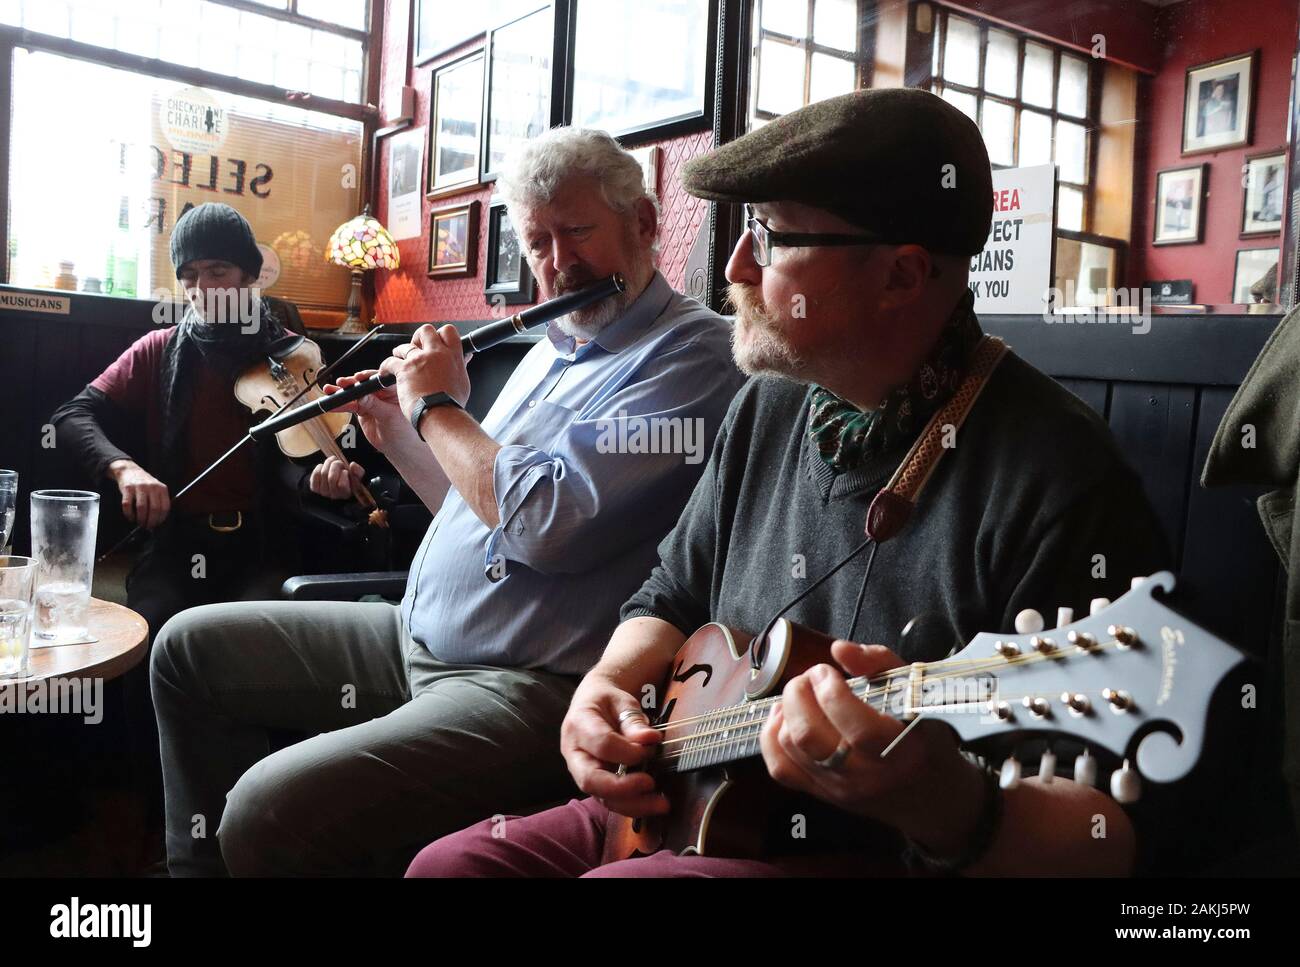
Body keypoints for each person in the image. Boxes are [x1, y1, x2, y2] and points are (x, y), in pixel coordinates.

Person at [407, 88, 1173, 878]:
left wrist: (943, 801)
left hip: (866, 856)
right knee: (449, 866)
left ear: (902, 276)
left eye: (770, 237)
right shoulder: (769, 403)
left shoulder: (1059, 476)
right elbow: (671, 593)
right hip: (685, 797)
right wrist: (605, 685)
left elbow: (1113, 836)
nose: (735, 266)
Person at [149, 127, 746, 876]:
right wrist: (397, 428)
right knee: (185, 648)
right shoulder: (546, 351)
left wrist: (436, 406)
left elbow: (541, 525)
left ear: (646, 224)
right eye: (537, 242)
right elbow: (475, 508)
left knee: (267, 806)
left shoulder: (697, 358)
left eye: (578, 233)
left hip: (523, 687)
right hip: (413, 635)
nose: (558, 265)